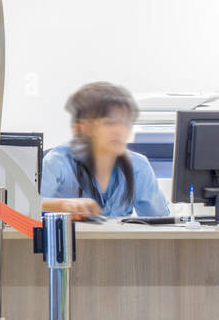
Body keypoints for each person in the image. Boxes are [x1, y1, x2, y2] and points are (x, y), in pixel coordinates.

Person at [40, 81, 169, 219]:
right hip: (69, 239)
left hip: (117, 241)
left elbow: (160, 220)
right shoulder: (58, 161)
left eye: (125, 123)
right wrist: (61, 205)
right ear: (86, 127)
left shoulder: (138, 166)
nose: (119, 131)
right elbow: (27, 208)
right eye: (110, 123)